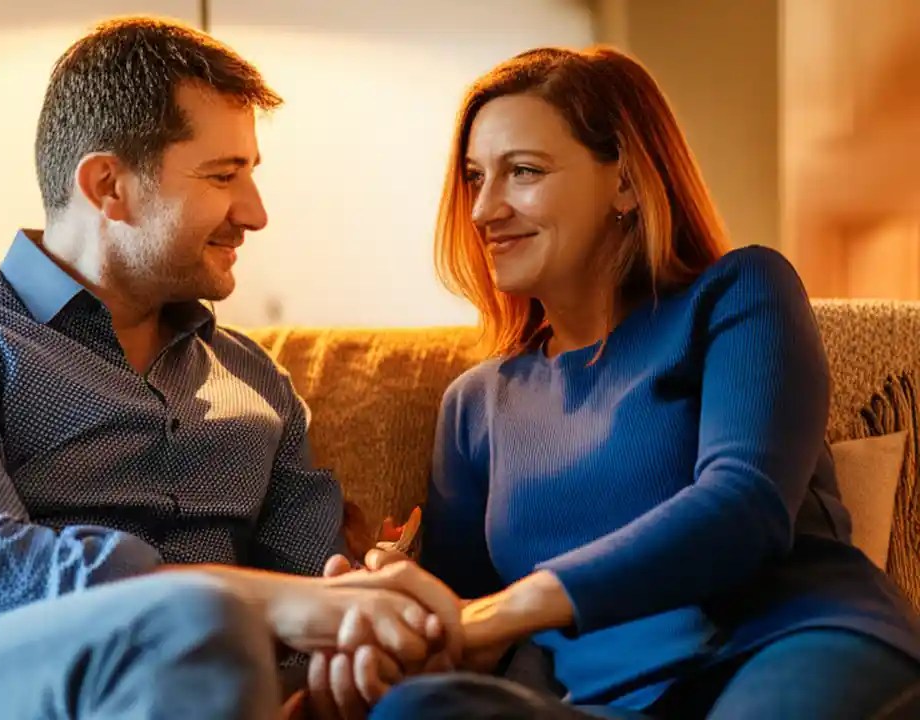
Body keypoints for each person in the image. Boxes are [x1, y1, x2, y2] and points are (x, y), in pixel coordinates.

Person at [0, 16, 461, 720]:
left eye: (251, 174)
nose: (255, 213)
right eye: (224, 176)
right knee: (197, 625)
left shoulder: (258, 381)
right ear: (108, 185)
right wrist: (238, 602)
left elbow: (311, 596)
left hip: (212, 693)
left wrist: (366, 638)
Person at [322, 46, 920, 719]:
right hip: (606, 705)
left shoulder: (739, 295)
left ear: (628, 183)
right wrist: (393, 621)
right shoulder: (476, 405)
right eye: (473, 178)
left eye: (522, 171)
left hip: (789, 645)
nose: (485, 208)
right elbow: (468, 629)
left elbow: (745, 507)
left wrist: (502, 610)